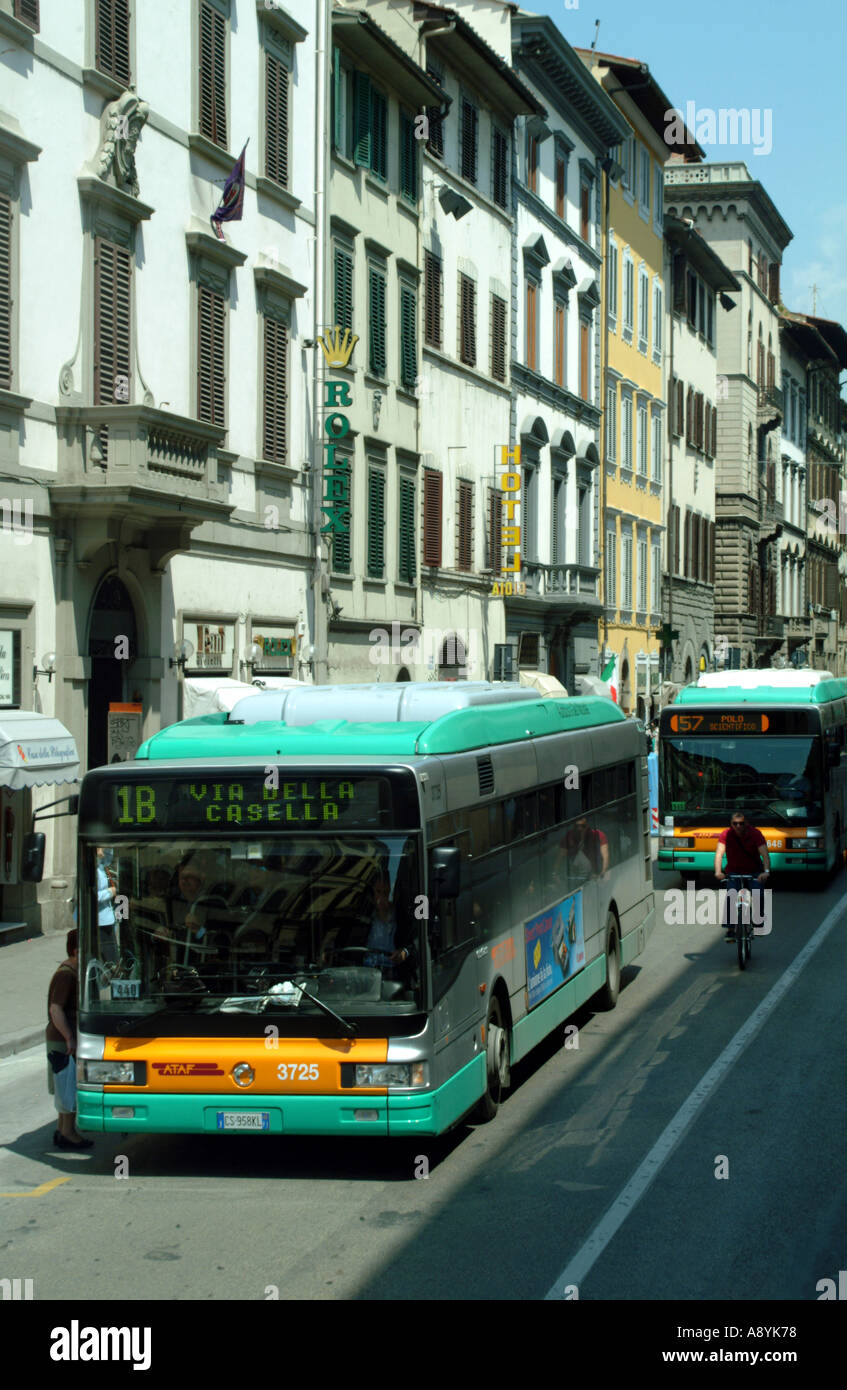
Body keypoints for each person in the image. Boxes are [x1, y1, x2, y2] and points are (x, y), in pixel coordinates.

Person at [46, 928, 93, 1150]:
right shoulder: (66, 974)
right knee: (68, 1085)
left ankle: (61, 1130)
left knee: (64, 1085)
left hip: (64, 1038)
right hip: (62, 1040)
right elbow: (56, 1010)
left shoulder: (74, 972)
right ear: (76, 950)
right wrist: (69, 1038)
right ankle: (68, 1132)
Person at [714, 811, 771, 942]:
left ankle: (758, 922)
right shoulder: (726, 834)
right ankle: (730, 930)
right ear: (731, 824)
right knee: (731, 895)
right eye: (735, 824)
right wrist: (718, 871)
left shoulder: (755, 834)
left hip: (754, 871)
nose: (738, 826)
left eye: (741, 823)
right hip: (734, 871)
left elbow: (765, 854)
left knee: (758, 894)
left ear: (747, 823)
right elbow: (719, 854)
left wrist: (766, 871)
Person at [364, 872, 416, 979]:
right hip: (366, 973)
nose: (382, 897)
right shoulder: (363, 917)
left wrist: (404, 953)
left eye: (386, 893)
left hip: (394, 974)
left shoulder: (403, 918)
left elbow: (416, 943)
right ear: (371, 893)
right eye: (378, 892)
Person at [556, 816, 610, 882]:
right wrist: (555, 874)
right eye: (577, 826)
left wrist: (603, 872)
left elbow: (605, 856)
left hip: (593, 876)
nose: (580, 828)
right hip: (575, 876)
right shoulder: (569, 836)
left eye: (583, 826)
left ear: (587, 826)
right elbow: (560, 857)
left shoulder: (598, 835)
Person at [96, 846, 119, 965]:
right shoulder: (94, 869)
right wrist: (111, 892)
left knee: (113, 954)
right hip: (100, 920)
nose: (105, 852)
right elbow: (93, 895)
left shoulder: (102, 866)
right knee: (110, 958)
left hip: (108, 917)